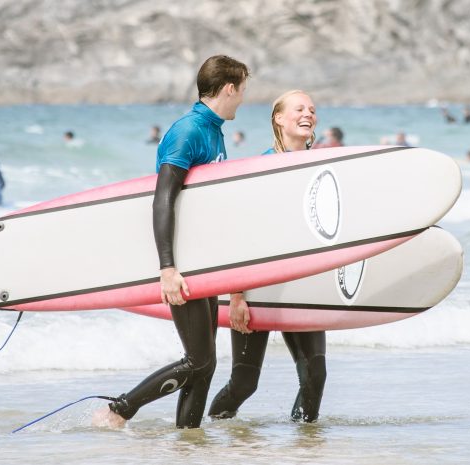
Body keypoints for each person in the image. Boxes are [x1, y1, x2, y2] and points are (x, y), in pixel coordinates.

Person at [93, 55, 249, 430]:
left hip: (202, 262)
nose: (244, 98)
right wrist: (168, 267)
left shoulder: (213, 131)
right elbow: (163, 197)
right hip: (182, 263)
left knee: (206, 363)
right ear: (229, 88)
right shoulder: (188, 131)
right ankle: (119, 410)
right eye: (242, 89)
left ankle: (187, 439)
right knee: (198, 360)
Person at [208, 89, 327, 423]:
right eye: (299, 108)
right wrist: (236, 294)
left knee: (315, 378)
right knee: (245, 383)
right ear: (278, 118)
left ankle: (305, 448)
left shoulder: (324, 168)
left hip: (303, 286)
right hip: (258, 286)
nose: (308, 114)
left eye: (312, 110)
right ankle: (208, 434)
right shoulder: (261, 167)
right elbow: (240, 234)